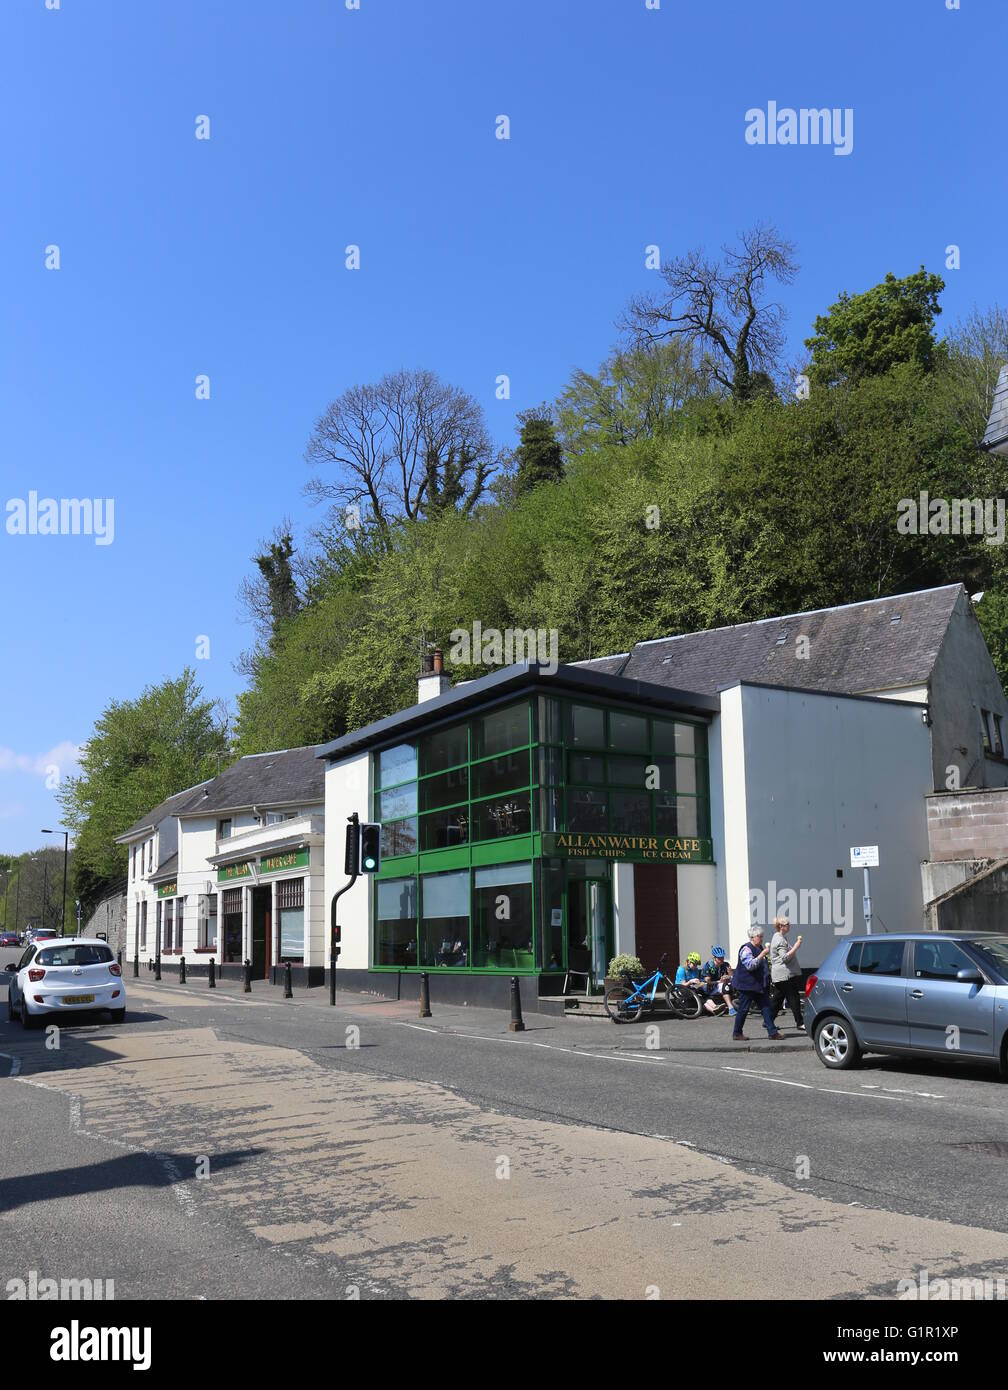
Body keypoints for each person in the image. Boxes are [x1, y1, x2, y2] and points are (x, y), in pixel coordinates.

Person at [731, 926, 781, 1041]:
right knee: (743, 1009)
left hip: (758, 985)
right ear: (752, 937)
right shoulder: (746, 949)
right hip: (746, 985)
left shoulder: (759, 947)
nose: (762, 939)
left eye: (762, 936)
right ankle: (737, 1033)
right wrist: (762, 954)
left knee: (766, 1007)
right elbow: (750, 965)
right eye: (759, 936)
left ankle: (773, 1033)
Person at [770, 915, 805, 1030]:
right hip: (784, 975)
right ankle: (799, 1022)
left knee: (778, 999)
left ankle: (768, 1021)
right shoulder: (780, 939)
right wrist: (796, 946)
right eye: (787, 924)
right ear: (781, 926)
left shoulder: (779, 937)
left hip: (782, 975)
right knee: (794, 997)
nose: (789, 926)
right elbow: (784, 958)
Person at [702, 945, 733, 1015]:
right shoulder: (708, 966)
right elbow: (707, 982)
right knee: (724, 985)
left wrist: (728, 976)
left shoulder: (725, 964)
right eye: (719, 958)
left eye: (722, 957)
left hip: (719, 985)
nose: (722, 959)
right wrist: (719, 981)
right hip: (709, 987)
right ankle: (731, 1008)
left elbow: (731, 976)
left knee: (731, 983)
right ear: (714, 958)